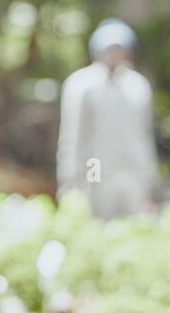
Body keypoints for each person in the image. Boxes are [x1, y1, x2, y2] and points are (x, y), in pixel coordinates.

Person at [56, 18, 159, 220]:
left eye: (121, 49)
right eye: (111, 49)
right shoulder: (81, 85)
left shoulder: (137, 86)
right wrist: (71, 183)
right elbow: (72, 137)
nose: (116, 55)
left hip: (131, 175)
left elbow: (144, 135)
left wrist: (150, 181)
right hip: (95, 173)